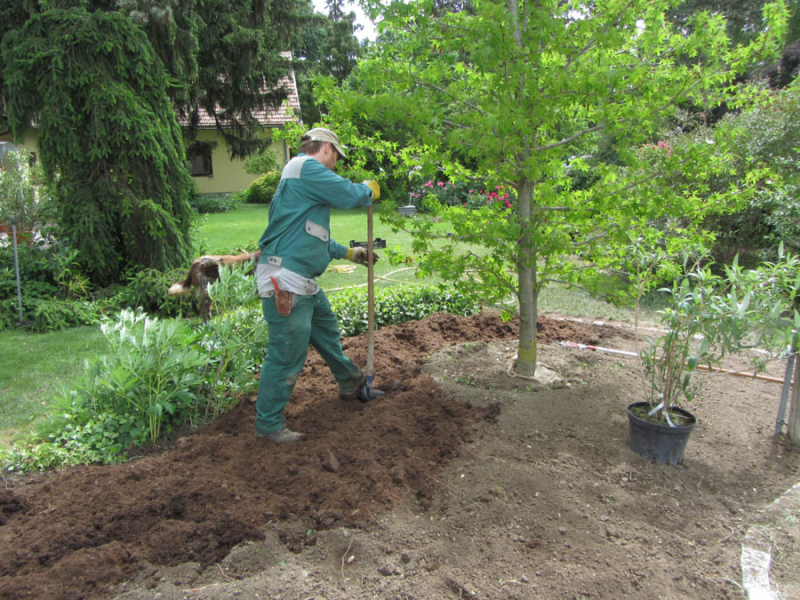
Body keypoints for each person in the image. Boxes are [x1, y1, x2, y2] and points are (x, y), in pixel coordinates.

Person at [254, 127, 384, 443]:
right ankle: (269, 426)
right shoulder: (305, 167)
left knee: (326, 330)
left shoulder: (301, 183)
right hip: (286, 281)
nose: (336, 164)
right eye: (336, 156)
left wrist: (350, 253)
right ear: (326, 148)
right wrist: (367, 191)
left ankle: (350, 382)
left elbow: (312, 235)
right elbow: (349, 194)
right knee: (286, 353)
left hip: (301, 280)